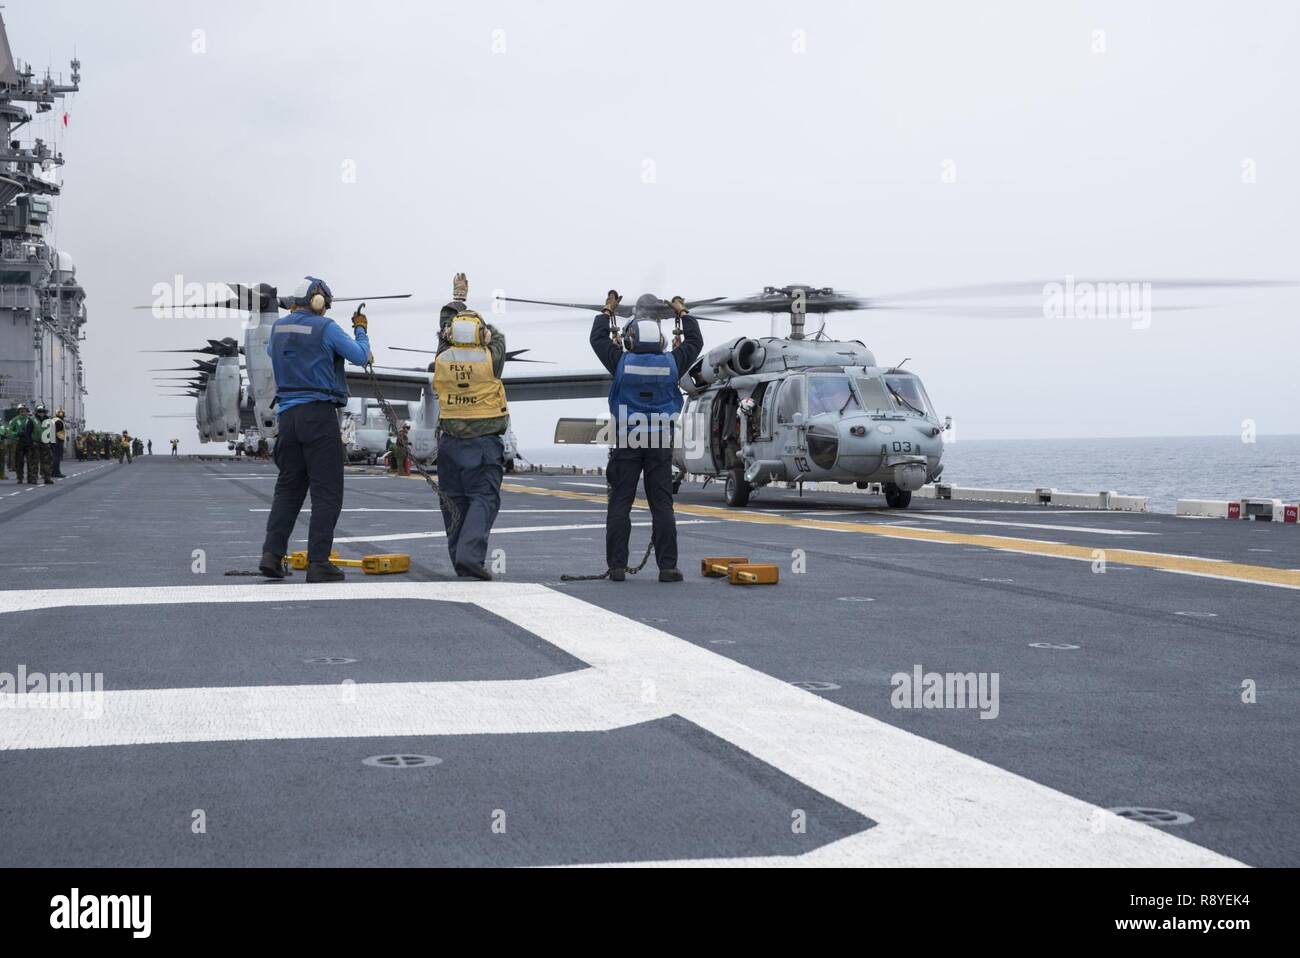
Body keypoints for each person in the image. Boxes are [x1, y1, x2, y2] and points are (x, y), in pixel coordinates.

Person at [258, 276, 372, 583]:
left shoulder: (277, 329)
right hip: (318, 417)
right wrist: (361, 329)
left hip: (288, 418)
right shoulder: (327, 327)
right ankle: (318, 562)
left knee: (288, 490)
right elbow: (361, 356)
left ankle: (271, 555)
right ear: (318, 301)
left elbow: (274, 354)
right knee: (327, 493)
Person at [589, 291, 703, 582]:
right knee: (662, 505)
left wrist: (607, 310)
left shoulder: (621, 362)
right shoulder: (672, 364)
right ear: (661, 341)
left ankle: (617, 566)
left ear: (631, 340)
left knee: (620, 504)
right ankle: (667, 567)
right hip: (659, 443)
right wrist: (683, 312)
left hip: (628, 441)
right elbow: (695, 342)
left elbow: (597, 339)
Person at [433, 273, 507, 580]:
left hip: (450, 442)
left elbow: (444, 330)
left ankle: (460, 560)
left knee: (454, 502)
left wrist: (457, 300)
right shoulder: (491, 358)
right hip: (483, 443)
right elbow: (499, 337)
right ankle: (469, 557)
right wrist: (486, 331)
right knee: (483, 498)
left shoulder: (442, 357)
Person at [10, 404, 36, 484]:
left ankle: (31, 478)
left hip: (29, 443)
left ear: (26, 411)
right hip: (19, 443)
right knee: (19, 461)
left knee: (30, 461)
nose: (23, 411)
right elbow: (10, 431)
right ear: (18, 411)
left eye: (24, 410)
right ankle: (20, 477)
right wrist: (16, 434)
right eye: (21, 410)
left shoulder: (31, 419)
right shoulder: (15, 420)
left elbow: (35, 430)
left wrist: (32, 438)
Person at [33, 405, 54, 485]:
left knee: (47, 461)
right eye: (39, 411)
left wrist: (52, 443)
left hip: (45, 443)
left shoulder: (49, 420)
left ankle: (47, 478)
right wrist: (29, 442)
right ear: (36, 412)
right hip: (35, 442)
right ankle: (34, 478)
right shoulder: (32, 420)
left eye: (43, 411)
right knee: (34, 461)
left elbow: (52, 432)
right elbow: (28, 431)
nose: (41, 413)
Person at [51, 408, 66, 478]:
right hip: (57, 441)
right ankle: (56, 472)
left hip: (53, 440)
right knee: (57, 457)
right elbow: (55, 432)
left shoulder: (53, 420)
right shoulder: (59, 422)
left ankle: (52, 471)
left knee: (53, 457)